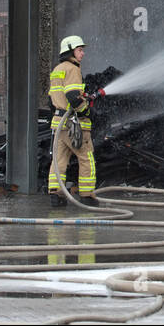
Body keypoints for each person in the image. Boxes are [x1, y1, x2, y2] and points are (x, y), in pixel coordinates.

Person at [47, 34, 106, 207]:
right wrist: (87, 110)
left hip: (59, 125)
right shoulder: (73, 69)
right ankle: (87, 195)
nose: (83, 54)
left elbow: (51, 100)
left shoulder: (57, 70)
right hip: (75, 125)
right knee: (86, 157)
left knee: (59, 160)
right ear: (70, 51)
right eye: (80, 50)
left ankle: (56, 195)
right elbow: (73, 96)